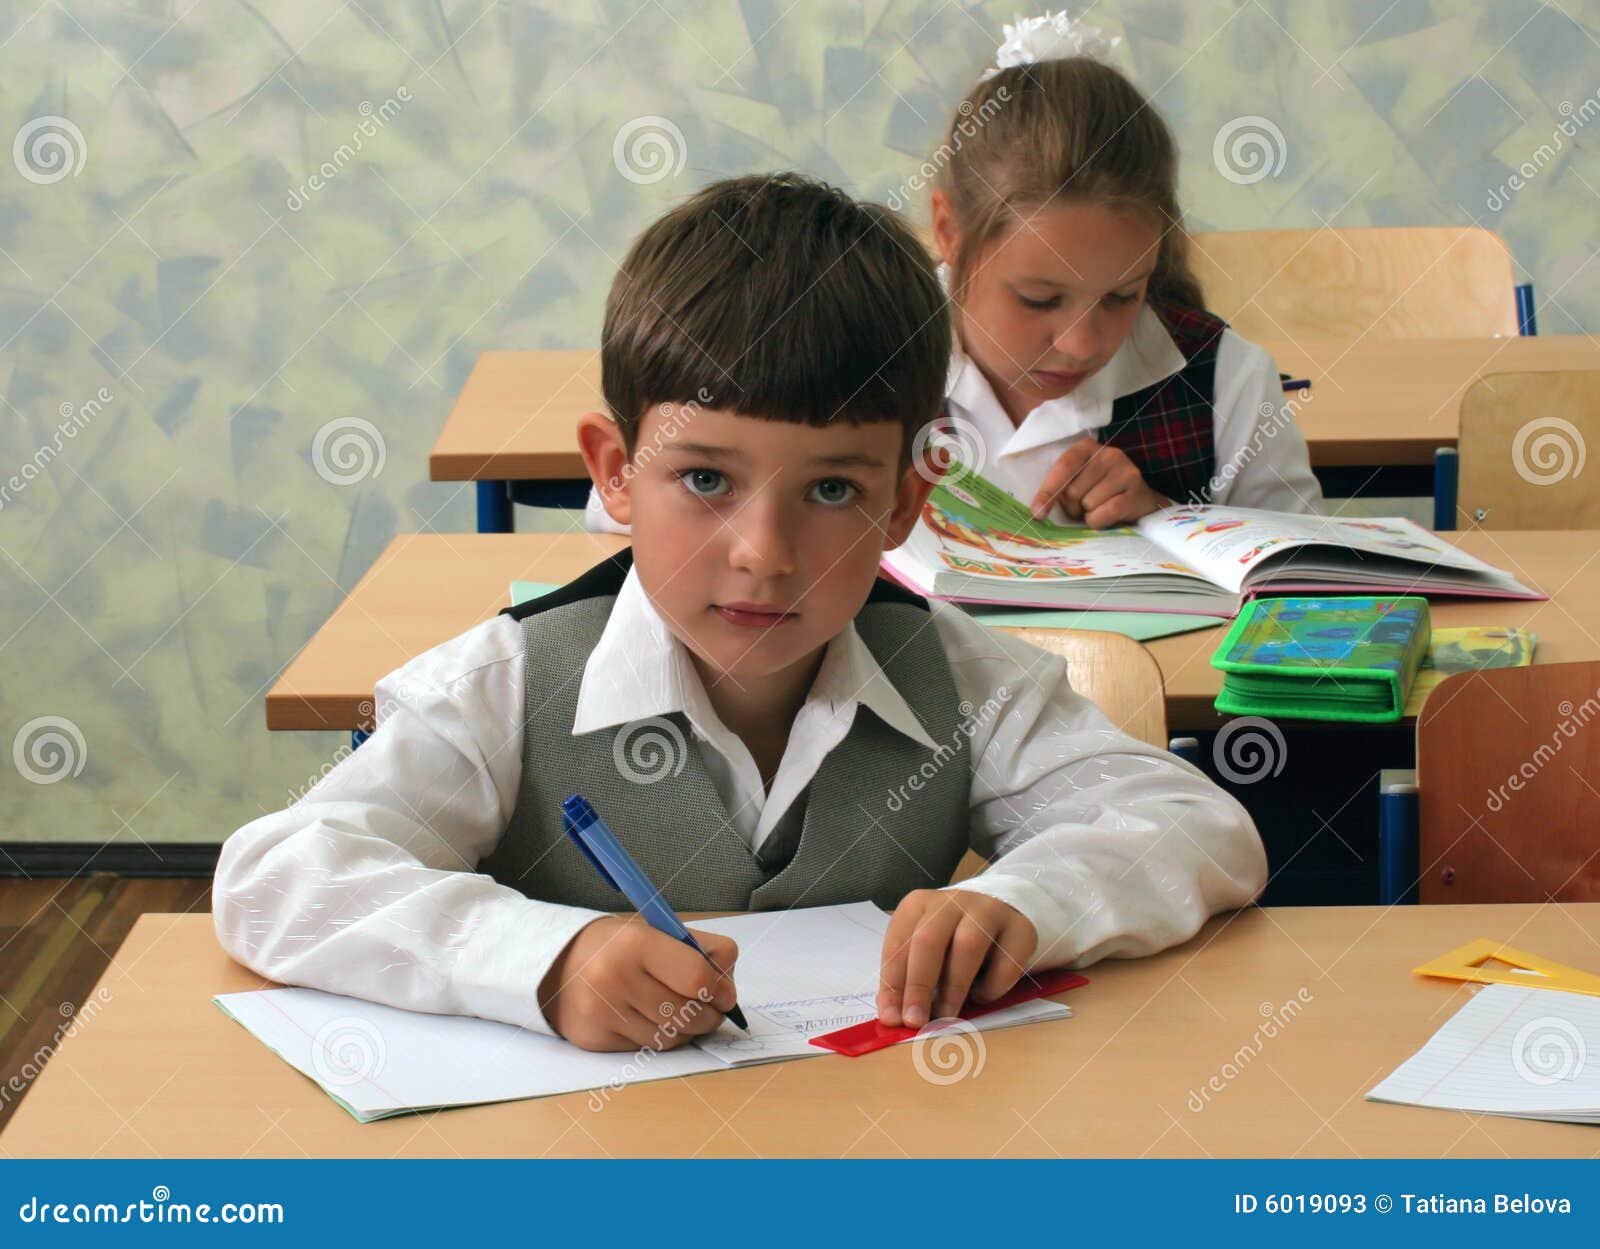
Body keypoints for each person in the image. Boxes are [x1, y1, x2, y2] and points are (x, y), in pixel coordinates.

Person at [214, 173, 1266, 1054]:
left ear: (904, 503)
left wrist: (1026, 905)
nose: (764, 554)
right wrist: (545, 960)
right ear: (616, 473)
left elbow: (1194, 824)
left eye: (831, 491)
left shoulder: (963, 680)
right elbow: (278, 876)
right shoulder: (503, 686)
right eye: (707, 481)